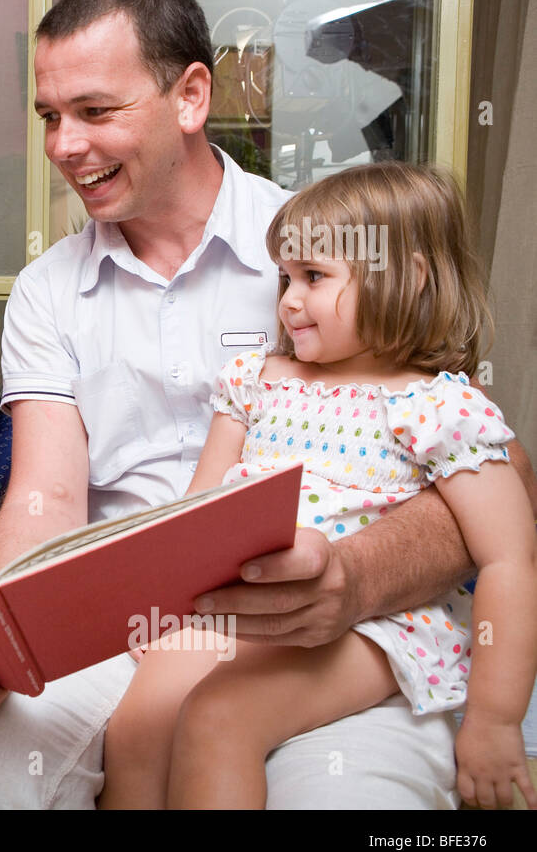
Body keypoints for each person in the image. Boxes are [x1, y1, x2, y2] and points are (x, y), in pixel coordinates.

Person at [0, 0, 537, 808]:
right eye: (49, 116)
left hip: (349, 630)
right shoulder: (48, 288)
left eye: (95, 111)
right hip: (123, 624)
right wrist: (4, 639)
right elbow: (44, 495)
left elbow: (500, 478)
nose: (62, 145)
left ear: (189, 97)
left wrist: (359, 578)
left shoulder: (325, 246)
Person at [102, 162, 537, 809]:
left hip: (376, 624)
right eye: (285, 276)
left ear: (409, 279)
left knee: (222, 718)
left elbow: (510, 558)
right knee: (139, 723)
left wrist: (496, 723)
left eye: (314, 277)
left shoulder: (438, 407)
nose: (289, 300)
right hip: (247, 609)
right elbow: (200, 508)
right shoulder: (257, 378)